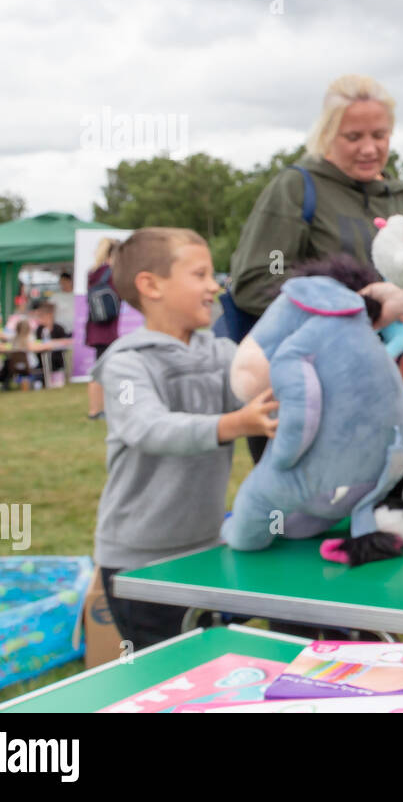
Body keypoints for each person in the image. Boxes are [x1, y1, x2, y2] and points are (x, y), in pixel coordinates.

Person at [228, 74, 403, 461]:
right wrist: (350, 311)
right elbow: (255, 280)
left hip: (388, 389)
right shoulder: (296, 188)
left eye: (380, 134)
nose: (369, 148)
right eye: (353, 136)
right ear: (327, 133)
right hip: (306, 391)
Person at [92, 227, 278, 650]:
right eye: (200, 274)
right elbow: (148, 427)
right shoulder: (125, 364)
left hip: (206, 547)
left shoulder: (222, 354)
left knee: (211, 666)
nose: (215, 285)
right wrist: (234, 424)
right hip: (138, 563)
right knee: (166, 678)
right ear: (151, 285)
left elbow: (267, 387)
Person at [85, 237, 121, 420]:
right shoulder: (111, 273)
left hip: (95, 326)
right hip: (107, 329)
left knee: (102, 369)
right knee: (101, 371)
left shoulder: (93, 273)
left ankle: (100, 409)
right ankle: (96, 410)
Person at [30, 299, 70, 388]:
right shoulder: (39, 329)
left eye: (42, 317)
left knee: (57, 383)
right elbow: (38, 342)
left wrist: (52, 344)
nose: (40, 319)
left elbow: (65, 342)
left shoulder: (59, 328)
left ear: (50, 316)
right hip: (42, 361)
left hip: (57, 360)